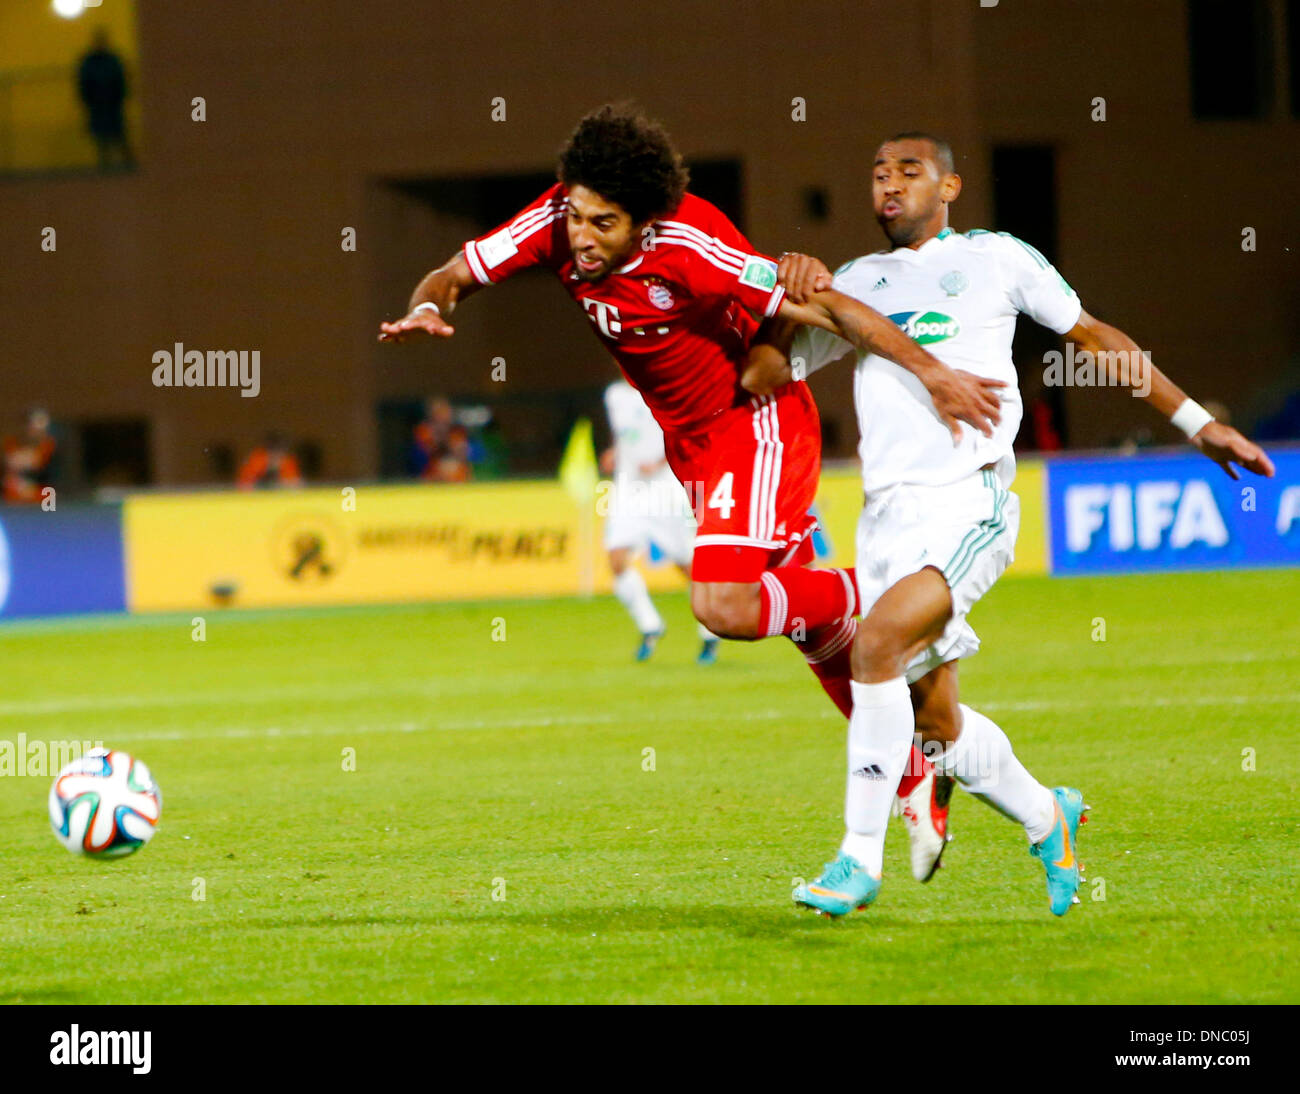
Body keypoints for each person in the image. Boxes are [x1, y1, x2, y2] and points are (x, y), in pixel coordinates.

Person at [379, 106, 1006, 879]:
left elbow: (823, 309)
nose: (580, 236)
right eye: (575, 216)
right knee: (801, 629)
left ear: (643, 222)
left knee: (723, 607)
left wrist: (933, 371)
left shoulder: (688, 242)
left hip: (757, 423)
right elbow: (455, 273)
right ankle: (913, 770)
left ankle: (871, 591)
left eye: (602, 224)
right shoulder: (555, 218)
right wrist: (427, 305)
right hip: (692, 451)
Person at [743, 132, 1275, 917]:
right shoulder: (855, 282)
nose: (889, 184)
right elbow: (762, 378)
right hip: (887, 520)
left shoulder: (997, 259)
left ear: (950, 187)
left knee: (875, 645)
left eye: (909, 171)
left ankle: (858, 861)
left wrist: (1198, 423)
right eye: (878, 172)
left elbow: (1093, 338)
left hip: (970, 499)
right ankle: (1044, 814)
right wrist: (787, 306)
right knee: (935, 720)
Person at [601, 378, 720, 664]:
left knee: (687, 566)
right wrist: (614, 452)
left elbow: (686, 433)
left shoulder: (667, 389)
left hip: (665, 488)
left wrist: (660, 461)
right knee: (616, 559)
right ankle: (650, 625)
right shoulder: (615, 395)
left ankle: (710, 631)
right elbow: (626, 434)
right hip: (629, 488)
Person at [76, 30, 132, 170]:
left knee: (118, 136)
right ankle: (106, 165)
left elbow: (120, 81)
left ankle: (125, 163)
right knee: (102, 139)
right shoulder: (92, 62)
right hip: (99, 106)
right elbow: (84, 84)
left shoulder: (111, 61)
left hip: (112, 106)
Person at [2, 409, 56, 504]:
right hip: (15, 495)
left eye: (41, 428)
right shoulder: (11, 443)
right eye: (32, 426)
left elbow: (38, 465)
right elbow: (10, 469)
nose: (36, 431)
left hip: (42, 493)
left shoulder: (49, 445)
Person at [236, 433, 302, 490]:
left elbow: (294, 483)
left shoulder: (287, 460)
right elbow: (244, 482)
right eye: (273, 450)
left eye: (280, 450)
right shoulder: (257, 459)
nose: (276, 455)